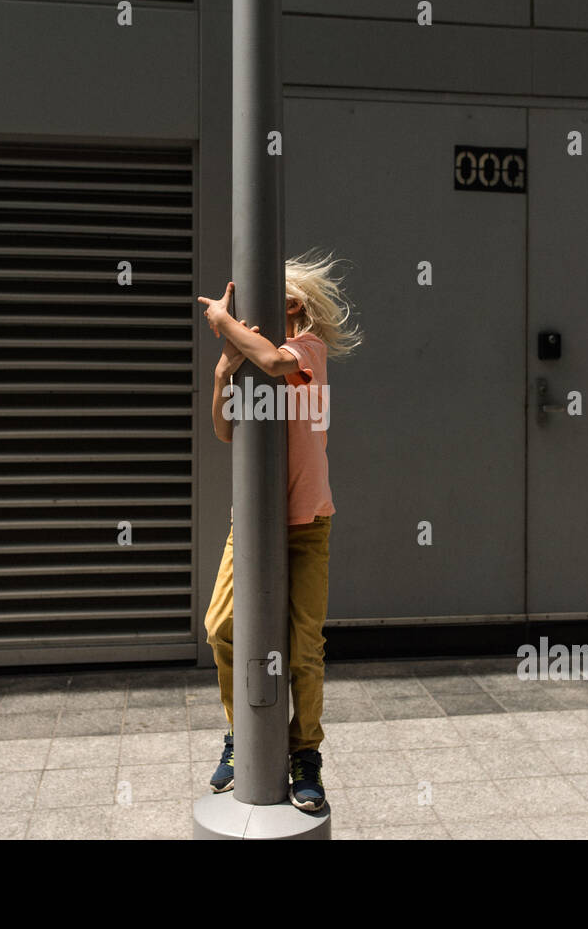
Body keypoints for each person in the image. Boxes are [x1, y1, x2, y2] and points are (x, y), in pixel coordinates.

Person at [195, 248, 362, 812]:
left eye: (252, 307)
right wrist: (221, 368)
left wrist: (222, 323)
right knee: (221, 628)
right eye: (238, 310)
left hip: (308, 522)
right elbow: (223, 429)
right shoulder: (248, 357)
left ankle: (304, 753)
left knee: (303, 649)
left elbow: (272, 364)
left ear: (290, 305)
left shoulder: (304, 349)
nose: (242, 317)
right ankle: (240, 735)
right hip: (252, 526)